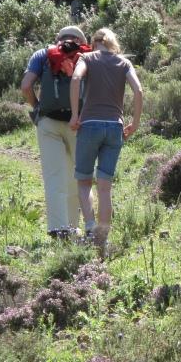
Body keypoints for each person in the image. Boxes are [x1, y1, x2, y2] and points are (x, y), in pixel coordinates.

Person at [69, 28, 143, 253]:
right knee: (104, 187)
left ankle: (90, 227)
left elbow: (75, 78)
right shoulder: (123, 63)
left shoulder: (87, 58)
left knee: (84, 182)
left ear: (93, 43)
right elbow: (138, 90)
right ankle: (102, 240)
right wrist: (136, 122)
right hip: (115, 127)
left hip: (89, 124)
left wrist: (74, 114)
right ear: (113, 43)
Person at [20, 25, 90, 238]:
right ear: (81, 40)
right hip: (79, 123)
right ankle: (75, 226)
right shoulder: (88, 56)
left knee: (54, 176)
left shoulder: (43, 54)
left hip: (48, 121)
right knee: (78, 176)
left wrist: (38, 106)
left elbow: (25, 86)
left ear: (58, 39)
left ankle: (58, 229)